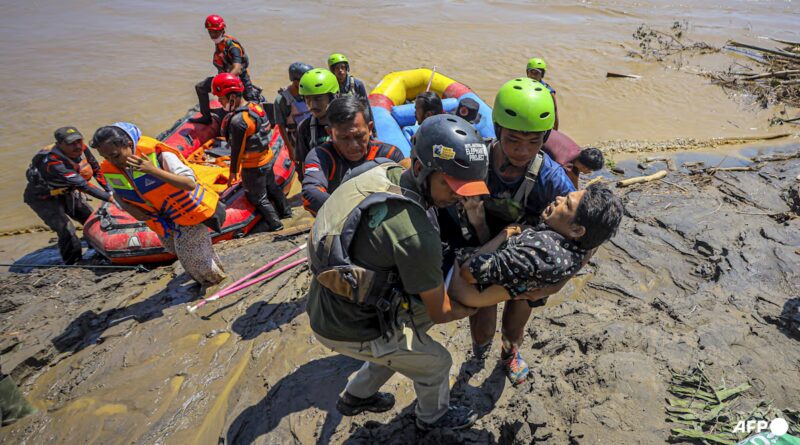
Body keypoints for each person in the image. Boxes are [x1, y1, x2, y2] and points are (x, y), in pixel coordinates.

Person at [306, 114, 490, 431]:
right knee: (436, 363)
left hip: (325, 302)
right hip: (347, 325)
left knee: (403, 348)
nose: (459, 196)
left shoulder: (384, 171)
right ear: (420, 169)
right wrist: (476, 305)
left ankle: (355, 397)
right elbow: (442, 312)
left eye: (466, 188)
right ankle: (432, 419)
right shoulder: (416, 235)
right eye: (451, 185)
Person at [438, 78, 576, 386]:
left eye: (534, 142)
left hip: (525, 261)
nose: (522, 151)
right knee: (482, 323)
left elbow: (585, 237)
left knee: (516, 321)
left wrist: (554, 285)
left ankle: (510, 353)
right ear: (498, 130)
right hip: (481, 252)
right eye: (513, 140)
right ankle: (479, 351)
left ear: (545, 138)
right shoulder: (476, 161)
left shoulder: (551, 178)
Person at [92, 123, 226, 286]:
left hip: (186, 211)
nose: (112, 161)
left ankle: (215, 284)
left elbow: (189, 184)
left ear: (128, 144)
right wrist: (130, 209)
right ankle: (214, 272)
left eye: (115, 155)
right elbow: (117, 194)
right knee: (175, 248)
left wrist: (153, 170)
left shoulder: (159, 155)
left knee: (191, 255)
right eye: (106, 157)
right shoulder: (112, 168)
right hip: (161, 219)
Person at [449, 185, 623, 308]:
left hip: (458, 286)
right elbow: (592, 249)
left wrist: (507, 232)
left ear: (577, 230)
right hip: (485, 283)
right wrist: (557, 286)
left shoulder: (539, 252)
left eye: (567, 204)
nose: (558, 198)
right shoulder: (581, 246)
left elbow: (468, 271)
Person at [301, 96, 407, 215]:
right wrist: (355, 213)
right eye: (344, 138)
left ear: (370, 128)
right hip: (341, 220)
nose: (353, 145)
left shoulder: (390, 154)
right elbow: (310, 192)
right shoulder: (321, 156)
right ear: (330, 133)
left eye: (359, 136)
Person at [212, 73, 290, 231]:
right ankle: (286, 212)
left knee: (258, 198)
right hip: (267, 158)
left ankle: (276, 225)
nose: (220, 102)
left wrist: (233, 172)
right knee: (272, 187)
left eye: (221, 98)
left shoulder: (238, 121)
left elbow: (237, 150)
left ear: (232, 97)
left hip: (253, 166)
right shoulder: (255, 107)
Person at [23, 127, 112, 264]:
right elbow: (83, 185)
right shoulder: (52, 162)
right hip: (43, 198)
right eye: (71, 143)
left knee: (92, 219)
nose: (77, 146)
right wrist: (112, 199)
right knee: (66, 229)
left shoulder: (82, 149)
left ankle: (98, 250)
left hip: (66, 191)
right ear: (59, 144)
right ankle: (73, 262)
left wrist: (110, 190)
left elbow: (96, 169)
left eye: (79, 141)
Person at [190, 14, 261, 125]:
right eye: (210, 32)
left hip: (238, 82)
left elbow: (237, 68)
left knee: (248, 109)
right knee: (200, 87)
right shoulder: (219, 44)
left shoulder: (232, 46)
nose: (212, 35)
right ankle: (206, 116)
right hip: (224, 78)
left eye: (215, 32)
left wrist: (223, 82)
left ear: (222, 30)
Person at [294, 68, 340, 180]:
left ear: (333, 97)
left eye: (318, 98)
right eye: (308, 99)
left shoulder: (347, 122)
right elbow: (303, 163)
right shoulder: (304, 128)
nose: (312, 105)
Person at [274, 62, 314, 158]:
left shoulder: (309, 93)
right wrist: (290, 149)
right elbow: (281, 127)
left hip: (312, 135)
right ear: (296, 83)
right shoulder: (282, 100)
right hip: (297, 141)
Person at [526, 58, 559, 131]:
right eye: (531, 72)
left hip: (540, 123)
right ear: (527, 73)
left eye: (536, 73)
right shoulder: (522, 86)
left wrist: (555, 131)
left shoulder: (549, 92)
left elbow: (554, 112)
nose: (533, 76)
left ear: (542, 75)